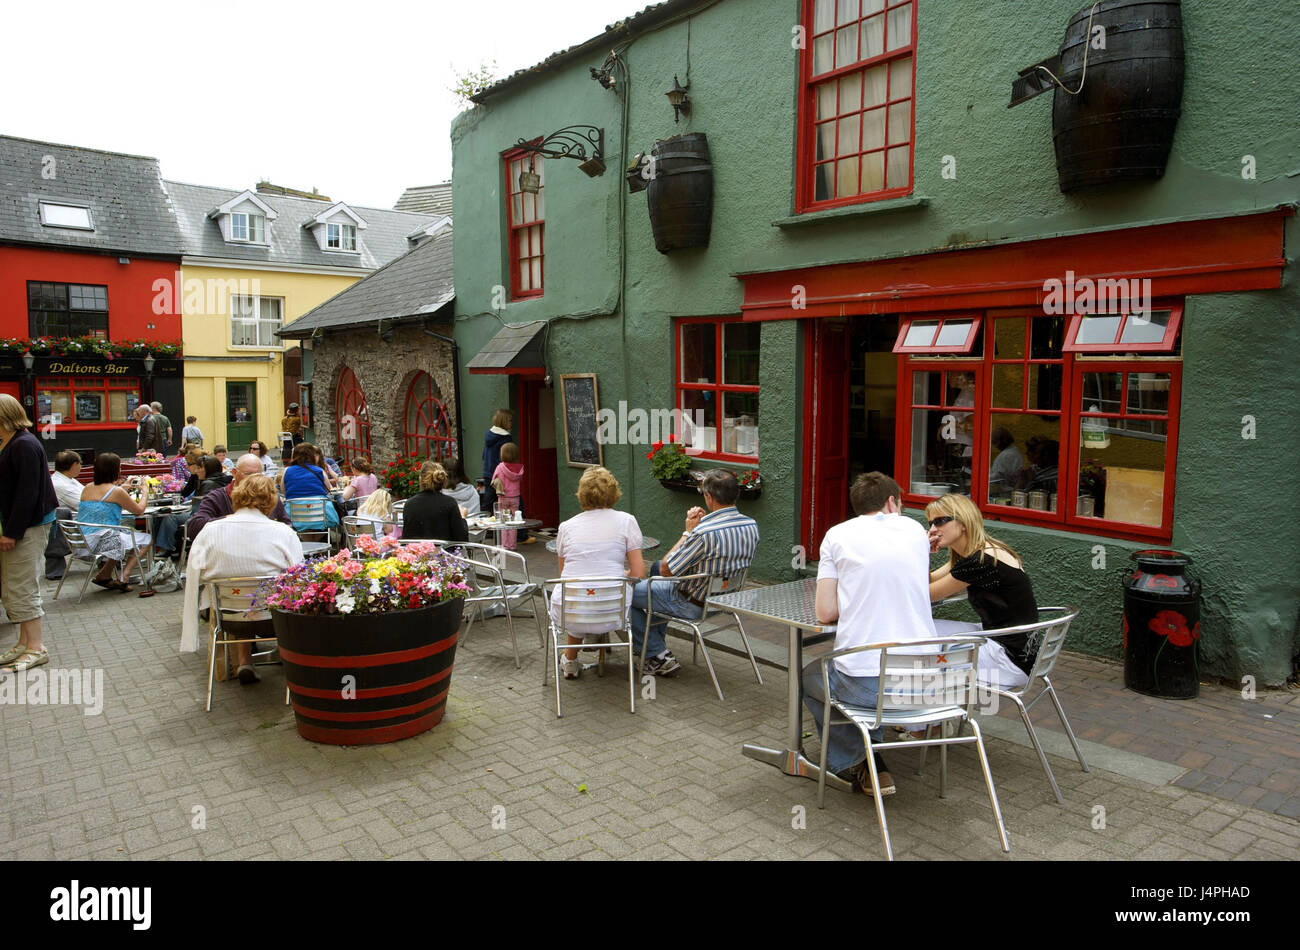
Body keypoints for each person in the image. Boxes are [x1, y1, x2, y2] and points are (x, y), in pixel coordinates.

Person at [804, 472, 939, 797]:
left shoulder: (836, 535)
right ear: (892, 503)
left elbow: (825, 613)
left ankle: (861, 760)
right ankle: (870, 757)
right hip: (926, 685)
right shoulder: (914, 532)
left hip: (871, 688)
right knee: (857, 673)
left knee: (810, 678)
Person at [628, 469, 759, 677]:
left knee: (625, 593)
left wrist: (688, 532)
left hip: (693, 603)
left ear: (709, 497)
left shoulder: (703, 533)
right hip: (726, 599)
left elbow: (667, 569)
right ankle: (654, 642)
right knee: (654, 570)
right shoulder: (751, 525)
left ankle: (657, 654)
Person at [180, 474, 304, 684]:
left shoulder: (210, 531)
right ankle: (292, 663)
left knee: (241, 594)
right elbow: (299, 576)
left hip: (227, 618)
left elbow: (194, 572)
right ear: (272, 500)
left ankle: (244, 662)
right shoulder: (283, 533)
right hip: (274, 619)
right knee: (263, 595)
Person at [927, 493, 1038, 685]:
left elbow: (925, 594)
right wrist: (925, 554)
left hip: (1008, 659)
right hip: (1010, 645)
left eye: (940, 521)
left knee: (920, 648)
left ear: (964, 523)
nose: (932, 529)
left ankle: (931, 707)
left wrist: (919, 551)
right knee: (922, 630)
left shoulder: (981, 561)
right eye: (930, 523)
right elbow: (928, 581)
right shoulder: (983, 551)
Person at [551, 467, 645, 680]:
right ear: (614, 493)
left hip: (571, 613)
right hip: (614, 612)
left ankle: (570, 660)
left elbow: (566, 575)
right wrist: (618, 575)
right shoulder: (626, 521)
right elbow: (638, 573)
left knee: (578, 595)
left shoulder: (566, 527)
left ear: (581, 494)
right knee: (597, 594)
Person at [0, 394, 59, 672]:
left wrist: (11, 532)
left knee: (22, 585)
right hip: (25, 525)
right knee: (15, 585)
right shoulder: (16, 441)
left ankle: (35, 647)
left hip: (27, 528)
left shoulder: (22, 444)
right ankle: (24, 642)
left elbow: (27, 494)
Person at [77, 452, 154, 597]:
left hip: (83, 540)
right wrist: (145, 492)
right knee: (147, 539)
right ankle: (124, 576)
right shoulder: (116, 491)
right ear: (115, 470)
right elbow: (139, 510)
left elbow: (104, 499)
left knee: (121, 537)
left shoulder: (87, 487)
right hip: (101, 542)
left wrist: (123, 487)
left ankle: (104, 575)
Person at [187, 454, 292, 541]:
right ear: (234, 473)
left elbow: (288, 526)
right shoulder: (217, 497)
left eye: (257, 475)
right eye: (248, 474)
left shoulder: (270, 497)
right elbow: (194, 527)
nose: (252, 479)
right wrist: (233, 521)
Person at [401, 462, 468, 543]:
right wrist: (462, 517)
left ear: (420, 479)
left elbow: (406, 540)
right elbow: (462, 539)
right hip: (444, 553)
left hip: (417, 554)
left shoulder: (409, 504)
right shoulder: (449, 503)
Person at [282, 442, 340, 533]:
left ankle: (307, 542)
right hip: (320, 515)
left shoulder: (287, 471)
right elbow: (328, 490)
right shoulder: (319, 471)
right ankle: (316, 542)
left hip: (295, 516)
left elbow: (284, 491)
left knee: (303, 526)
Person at [44, 450, 85, 579]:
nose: (81, 467)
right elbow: (83, 503)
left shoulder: (68, 480)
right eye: (80, 463)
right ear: (73, 465)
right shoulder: (60, 484)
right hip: (72, 526)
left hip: (74, 522)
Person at [491, 442, 526, 549]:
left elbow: (493, 481)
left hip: (503, 497)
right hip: (515, 497)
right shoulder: (520, 468)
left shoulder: (500, 467)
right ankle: (512, 544)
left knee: (504, 521)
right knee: (514, 522)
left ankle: (505, 545)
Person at [481, 408, 513, 513]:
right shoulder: (506, 438)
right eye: (510, 420)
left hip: (488, 473)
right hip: (501, 475)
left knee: (488, 503)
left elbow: (484, 455)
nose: (511, 423)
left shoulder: (489, 435)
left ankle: (485, 526)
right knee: (511, 502)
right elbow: (506, 459)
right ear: (504, 421)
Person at [987, 427, 1024, 496]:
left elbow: (999, 476)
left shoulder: (1007, 455)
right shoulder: (1012, 451)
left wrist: (984, 477)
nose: (995, 446)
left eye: (995, 442)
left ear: (1002, 441)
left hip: (1006, 493)